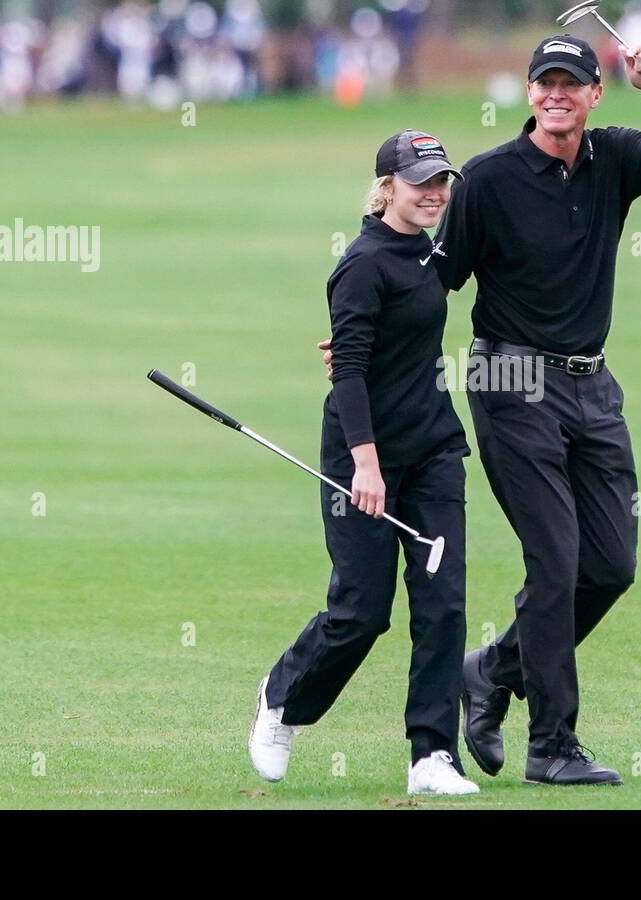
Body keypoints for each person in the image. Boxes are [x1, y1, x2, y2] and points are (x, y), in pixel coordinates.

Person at [435, 35, 641, 784]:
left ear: (594, 95)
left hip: (592, 383)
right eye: (544, 82)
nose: (556, 94)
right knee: (555, 563)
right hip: (511, 379)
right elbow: (438, 282)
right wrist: (369, 346)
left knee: (610, 566)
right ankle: (552, 747)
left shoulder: (614, 157)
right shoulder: (487, 180)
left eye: (571, 84)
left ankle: (490, 669)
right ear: (530, 94)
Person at [249, 129, 479, 796]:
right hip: (364, 455)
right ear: (386, 189)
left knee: (443, 603)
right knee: (361, 611)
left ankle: (431, 756)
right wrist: (366, 466)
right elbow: (347, 371)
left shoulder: (432, 251)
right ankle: (281, 697)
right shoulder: (361, 265)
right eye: (419, 182)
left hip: (435, 448)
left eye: (440, 182)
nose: (433, 193)